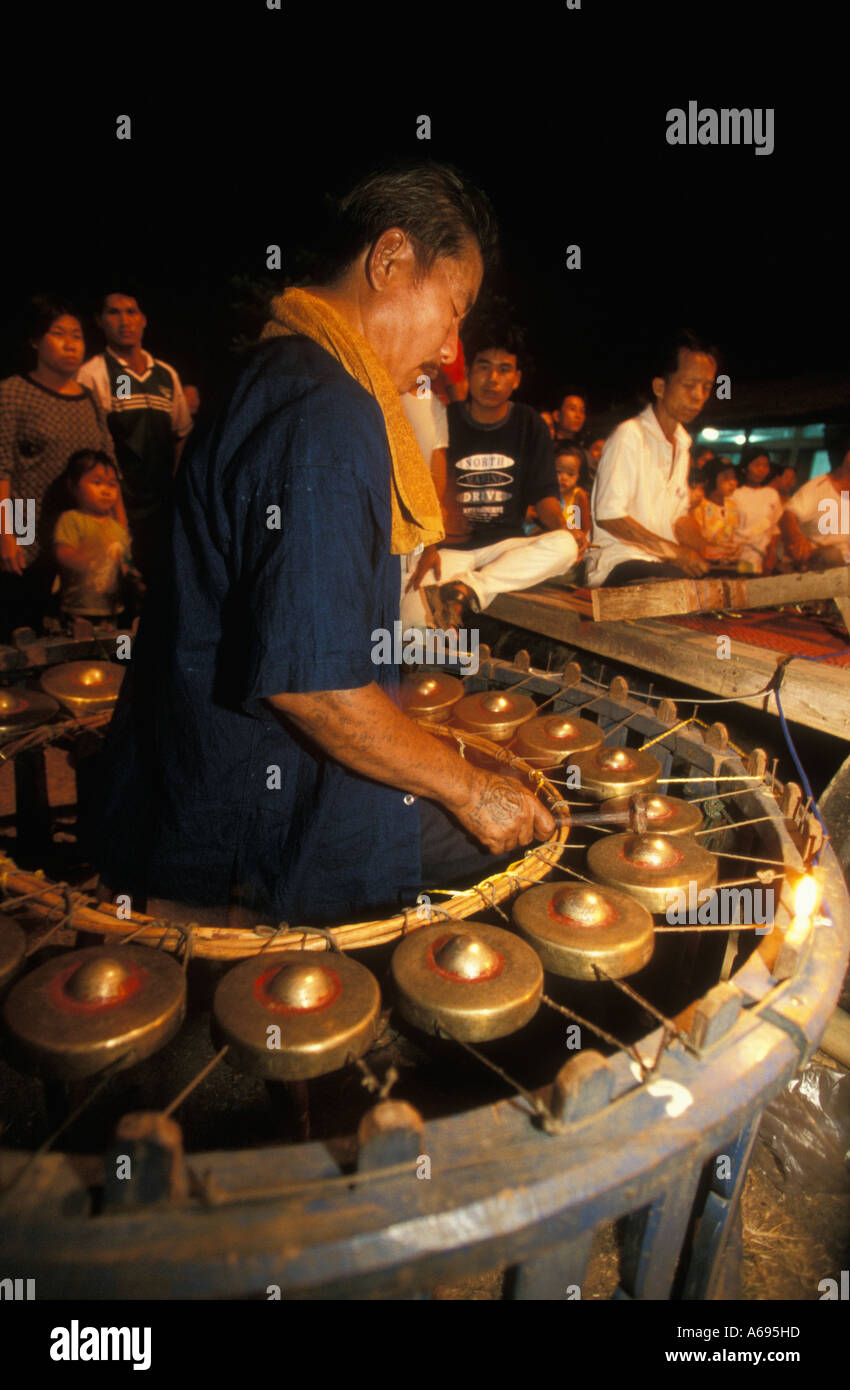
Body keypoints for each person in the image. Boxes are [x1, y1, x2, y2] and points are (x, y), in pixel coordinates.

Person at [88, 162, 555, 927]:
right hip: (254, 803)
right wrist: (471, 787)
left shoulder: (275, 369)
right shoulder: (325, 411)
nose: (449, 350)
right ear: (392, 260)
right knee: (527, 838)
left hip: (191, 770)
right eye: (452, 310)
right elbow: (316, 688)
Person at [401, 324, 578, 630]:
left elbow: (545, 495)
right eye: (484, 367)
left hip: (506, 546)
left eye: (504, 370)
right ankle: (458, 601)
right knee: (410, 618)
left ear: (516, 379)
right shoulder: (445, 418)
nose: (493, 379)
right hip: (451, 551)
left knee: (565, 546)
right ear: (468, 371)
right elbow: (426, 490)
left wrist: (565, 528)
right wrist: (428, 546)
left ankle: (471, 588)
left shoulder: (529, 424)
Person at [0, 296, 119, 639]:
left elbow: (109, 468)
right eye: (59, 334)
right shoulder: (12, 392)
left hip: (79, 533)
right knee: (21, 621)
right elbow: (3, 469)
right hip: (25, 519)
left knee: (73, 629)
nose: (71, 344)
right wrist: (7, 535)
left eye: (77, 335)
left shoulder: (89, 399)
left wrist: (119, 531)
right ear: (36, 341)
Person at [586, 330, 716, 587]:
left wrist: (706, 547)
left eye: (707, 387)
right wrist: (676, 552)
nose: (698, 396)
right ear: (660, 387)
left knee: (720, 586)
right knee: (683, 589)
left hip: (660, 564)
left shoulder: (682, 443)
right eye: (689, 385)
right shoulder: (629, 435)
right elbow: (609, 516)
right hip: (617, 563)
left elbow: (678, 517)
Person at [77, 292, 193, 580]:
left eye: (131, 312)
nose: (124, 321)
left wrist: (176, 489)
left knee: (160, 582)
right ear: (99, 321)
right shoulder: (92, 374)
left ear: (143, 320)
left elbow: (181, 435)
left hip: (162, 506)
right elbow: (90, 450)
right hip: (116, 507)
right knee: (117, 583)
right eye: (113, 313)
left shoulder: (166, 375)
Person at [52, 450, 141, 625]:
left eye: (112, 485)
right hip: (78, 609)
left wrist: (131, 573)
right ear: (73, 486)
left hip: (111, 607)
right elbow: (61, 552)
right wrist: (84, 559)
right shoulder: (72, 519)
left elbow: (124, 560)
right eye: (97, 482)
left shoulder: (117, 528)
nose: (106, 491)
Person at [781, 426, 850, 569]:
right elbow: (789, 515)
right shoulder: (818, 488)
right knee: (832, 556)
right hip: (819, 569)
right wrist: (797, 537)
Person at [678, 456, 741, 567]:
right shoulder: (699, 505)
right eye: (726, 477)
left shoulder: (733, 506)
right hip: (703, 564)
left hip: (727, 564)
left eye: (734, 477)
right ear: (712, 479)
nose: (732, 482)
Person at [732, 445, 783, 574]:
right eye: (756, 465)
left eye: (765, 465)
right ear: (745, 467)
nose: (761, 469)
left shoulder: (772, 494)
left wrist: (772, 554)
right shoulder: (735, 494)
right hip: (738, 555)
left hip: (762, 556)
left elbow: (775, 528)